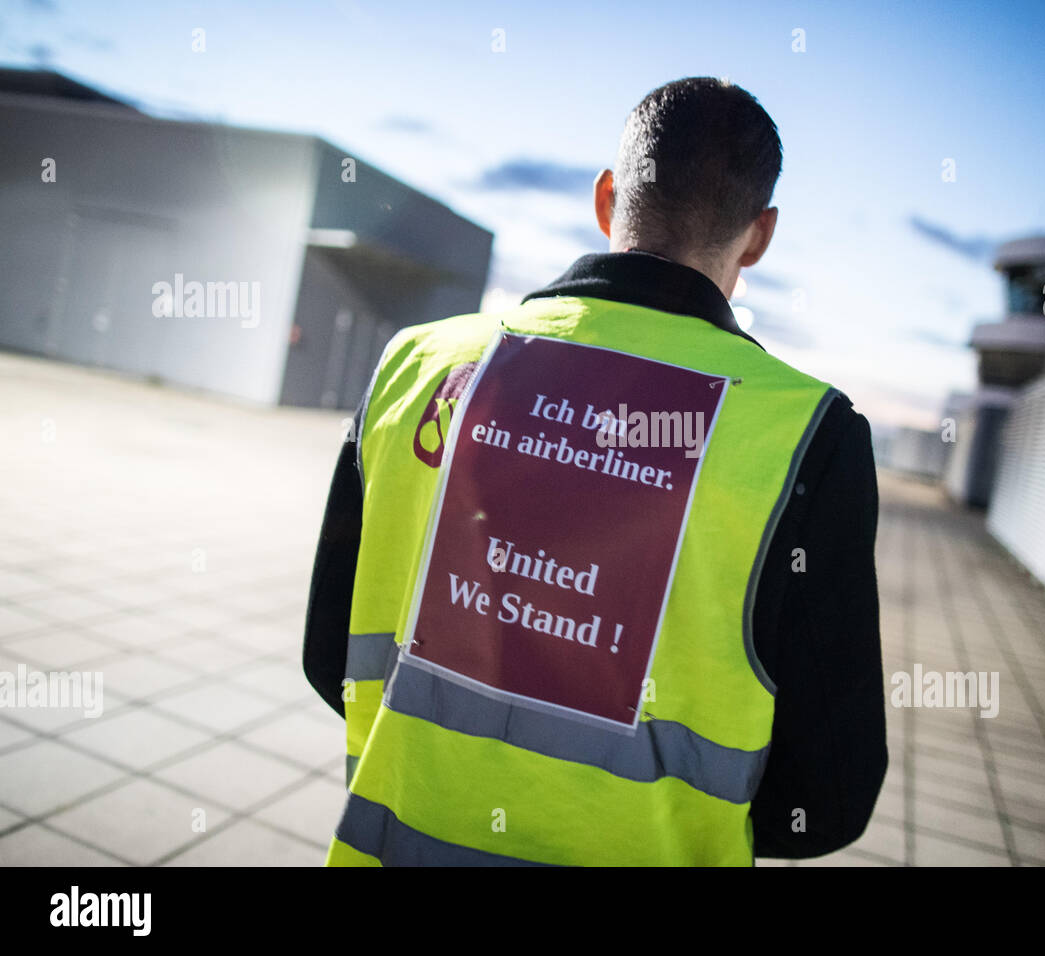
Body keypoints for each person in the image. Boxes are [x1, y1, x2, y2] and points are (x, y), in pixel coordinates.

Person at [302, 76, 888, 866]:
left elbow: (326, 655)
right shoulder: (807, 435)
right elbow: (828, 796)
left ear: (608, 198)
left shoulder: (421, 362)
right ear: (759, 236)